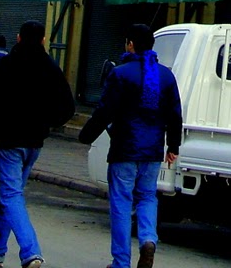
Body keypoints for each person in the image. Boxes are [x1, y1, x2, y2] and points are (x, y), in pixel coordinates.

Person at [0, 20, 75, 268]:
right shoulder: (50, 67)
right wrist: (47, 123)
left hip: (9, 139)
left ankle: (30, 252)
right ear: (44, 40)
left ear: (18, 38)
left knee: (11, 193)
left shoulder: (6, 64)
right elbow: (68, 107)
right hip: (34, 141)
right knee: (11, 193)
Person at [78, 23, 184, 268]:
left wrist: (87, 135)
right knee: (147, 197)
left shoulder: (120, 74)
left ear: (131, 45)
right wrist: (173, 146)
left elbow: (105, 111)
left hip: (124, 148)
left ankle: (121, 262)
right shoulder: (166, 76)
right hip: (153, 151)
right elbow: (175, 115)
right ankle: (148, 239)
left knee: (122, 204)